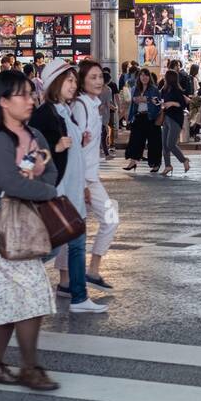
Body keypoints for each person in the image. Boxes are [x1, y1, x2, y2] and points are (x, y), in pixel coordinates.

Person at [0, 70, 63, 391]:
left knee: (7, 303)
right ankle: (30, 367)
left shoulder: (35, 134)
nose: (30, 100)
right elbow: (10, 182)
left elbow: (52, 169)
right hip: (0, 230)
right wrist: (47, 191)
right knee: (33, 297)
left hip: (30, 225)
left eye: (31, 93)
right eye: (22, 95)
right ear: (2, 101)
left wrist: (41, 183)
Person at [30, 59, 108, 312]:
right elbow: (30, 156)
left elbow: (73, 152)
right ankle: (11, 272)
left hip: (73, 191)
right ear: (55, 82)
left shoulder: (64, 111)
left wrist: (79, 141)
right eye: (70, 80)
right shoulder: (44, 114)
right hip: (59, 192)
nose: (75, 85)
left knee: (76, 246)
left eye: (75, 81)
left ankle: (79, 297)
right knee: (49, 248)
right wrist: (55, 148)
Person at [75, 60, 120, 291]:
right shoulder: (82, 106)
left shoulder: (91, 104)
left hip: (90, 177)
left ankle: (79, 276)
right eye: (92, 77)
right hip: (84, 180)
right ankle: (86, 273)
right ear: (82, 82)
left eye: (100, 76)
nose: (98, 81)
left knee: (75, 228)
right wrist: (82, 183)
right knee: (109, 219)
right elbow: (78, 146)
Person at [123, 68, 162, 172]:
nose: (144, 77)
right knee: (135, 140)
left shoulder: (154, 89)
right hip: (138, 117)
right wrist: (130, 115)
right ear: (139, 77)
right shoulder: (135, 89)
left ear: (149, 77)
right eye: (142, 75)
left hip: (151, 118)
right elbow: (132, 103)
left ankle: (155, 164)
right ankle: (133, 161)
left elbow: (158, 103)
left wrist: (147, 99)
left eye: (146, 75)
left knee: (154, 142)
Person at [158, 67, 191, 175]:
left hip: (176, 119)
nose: (163, 78)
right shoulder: (164, 89)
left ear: (168, 78)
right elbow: (162, 100)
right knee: (164, 145)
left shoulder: (177, 90)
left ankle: (184, 160)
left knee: (170, 144)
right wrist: (160, 103)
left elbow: (182, 104)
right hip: (166, 117)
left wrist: (172, 103)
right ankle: (168, 166)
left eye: (165, 76)